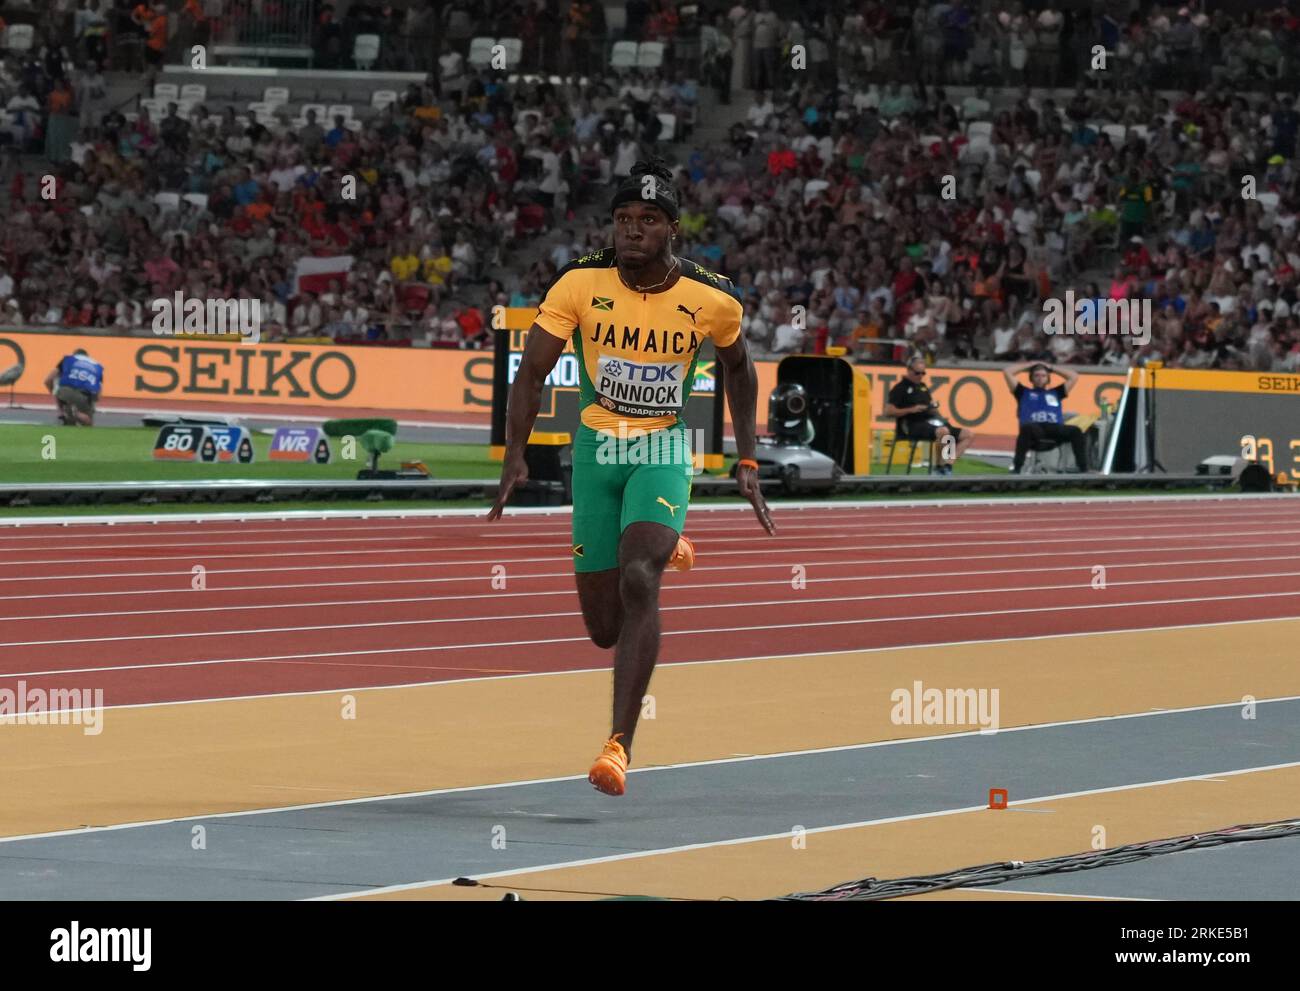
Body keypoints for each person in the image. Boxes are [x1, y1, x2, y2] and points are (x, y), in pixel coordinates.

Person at [487, 158, 775, 796]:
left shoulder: (710, 297)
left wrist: (747, 457)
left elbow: (741, 370)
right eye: (623, 220)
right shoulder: (577, 284)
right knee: (603, 630)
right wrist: (515, 452)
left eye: (647, 221)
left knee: (639, 575)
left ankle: (617, 745)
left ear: (672, 229)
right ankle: (666, 539)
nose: (632, 231)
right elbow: (531, 372)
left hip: (664, 447)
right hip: (597, 451)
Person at [882, 355, 974, 475]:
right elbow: (888, 412)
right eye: (917, 373)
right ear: (909, 370)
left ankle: (947, 465)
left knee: (968, 434)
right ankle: (939, 467)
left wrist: (933, 408)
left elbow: (929, 406)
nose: (920, 376)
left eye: (923, 373)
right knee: (944, 432)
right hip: (911, 425)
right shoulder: (900, 388)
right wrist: (912, 409)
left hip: (931, 422)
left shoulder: (923, 387)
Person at [1004, 361, 1088, 473]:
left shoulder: (1056, 393)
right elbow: (1007, 372)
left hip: (1054, 429)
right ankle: (1017, 467)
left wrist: (1051, 367)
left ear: (1048, 379)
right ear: (1031, 378)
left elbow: (1074, 376)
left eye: (1043, 376)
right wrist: (1029, 365)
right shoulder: (1022, 392)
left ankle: (1083, 469)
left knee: (1076, 431)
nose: (1040, 378)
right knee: (1027, 428)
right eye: (1036, 375)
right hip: (1035, 432)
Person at [44, 348, 104, 426]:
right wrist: (91, 406)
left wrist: (55, 394)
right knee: (88, 422)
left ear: (74, 355)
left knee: (58, 380)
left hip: (65, 392)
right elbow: (98, 394)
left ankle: (64, 412)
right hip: (84, 396)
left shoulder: (68, 360)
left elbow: (48, 380)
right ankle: (76, 414)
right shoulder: (97, 366)